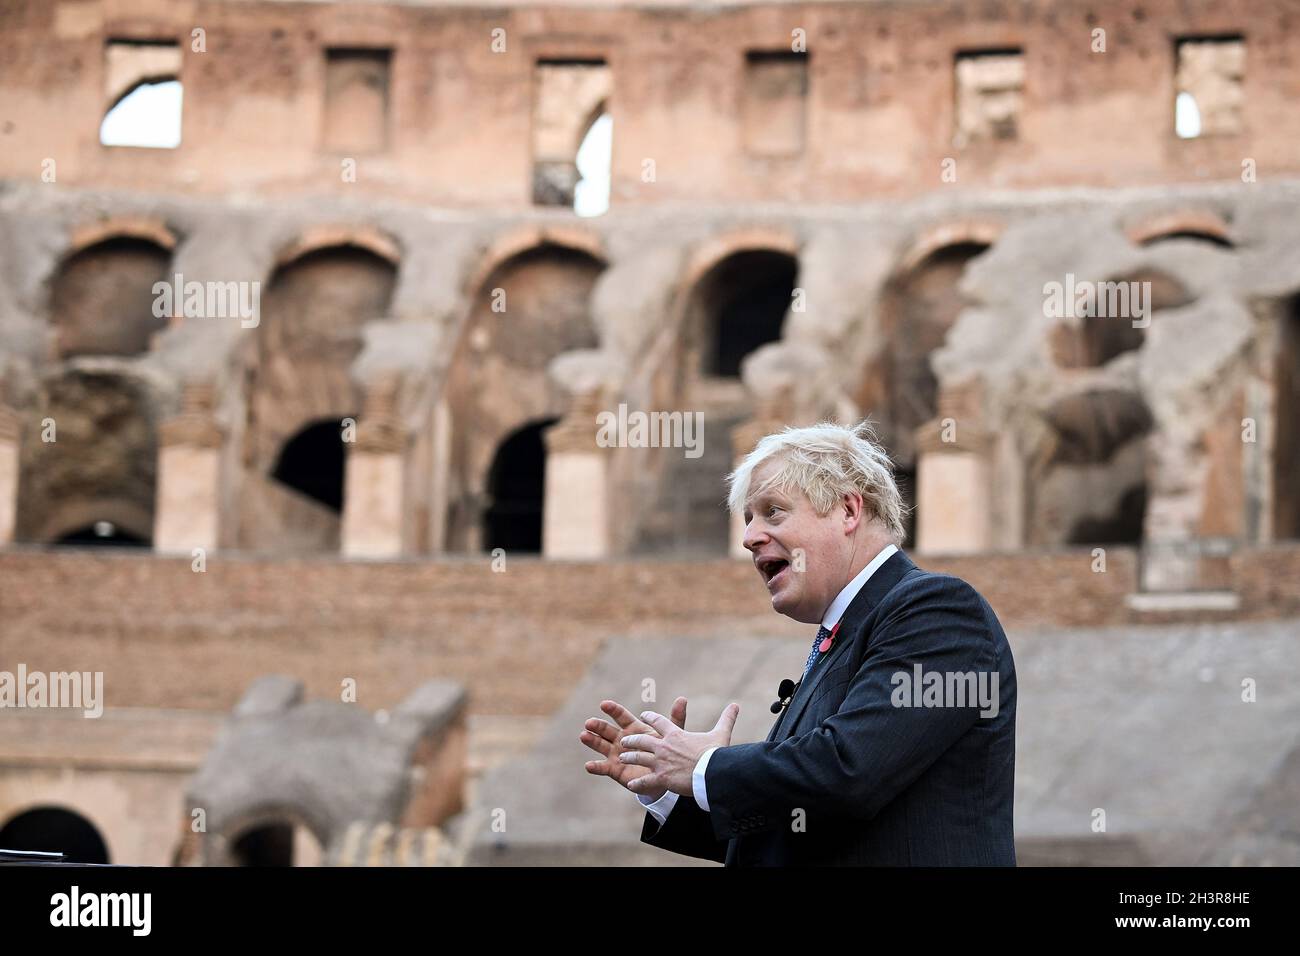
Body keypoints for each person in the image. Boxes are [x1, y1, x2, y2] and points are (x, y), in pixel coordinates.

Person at [580, 420, 1017, 865]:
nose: (749, 537)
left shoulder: (937, 611)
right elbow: (794, 824)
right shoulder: (840, 637)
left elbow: (849, 772)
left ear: (848, 510)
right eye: (748, 519)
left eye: (773, 511)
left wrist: (703, 767)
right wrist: (668, 786)